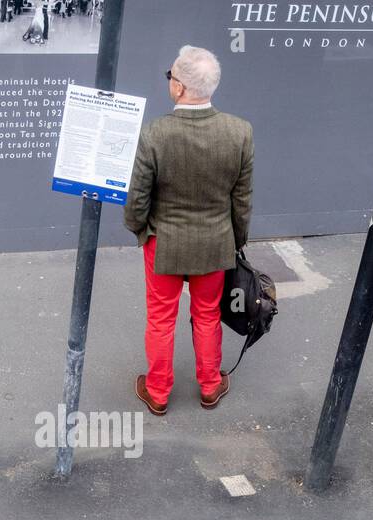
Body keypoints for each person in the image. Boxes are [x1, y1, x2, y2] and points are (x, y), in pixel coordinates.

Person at [124, 45, 253, 415]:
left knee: (161, 318)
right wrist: (235, 241)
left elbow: (137, 200)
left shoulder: (155, 134)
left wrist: (140, 231)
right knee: (208, 313)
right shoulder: (239, 133)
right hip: (214, 244)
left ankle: (159, 391)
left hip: (163, 244)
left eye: (170, 78)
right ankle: (210, 386)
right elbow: (241, 201)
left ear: (179, 88)